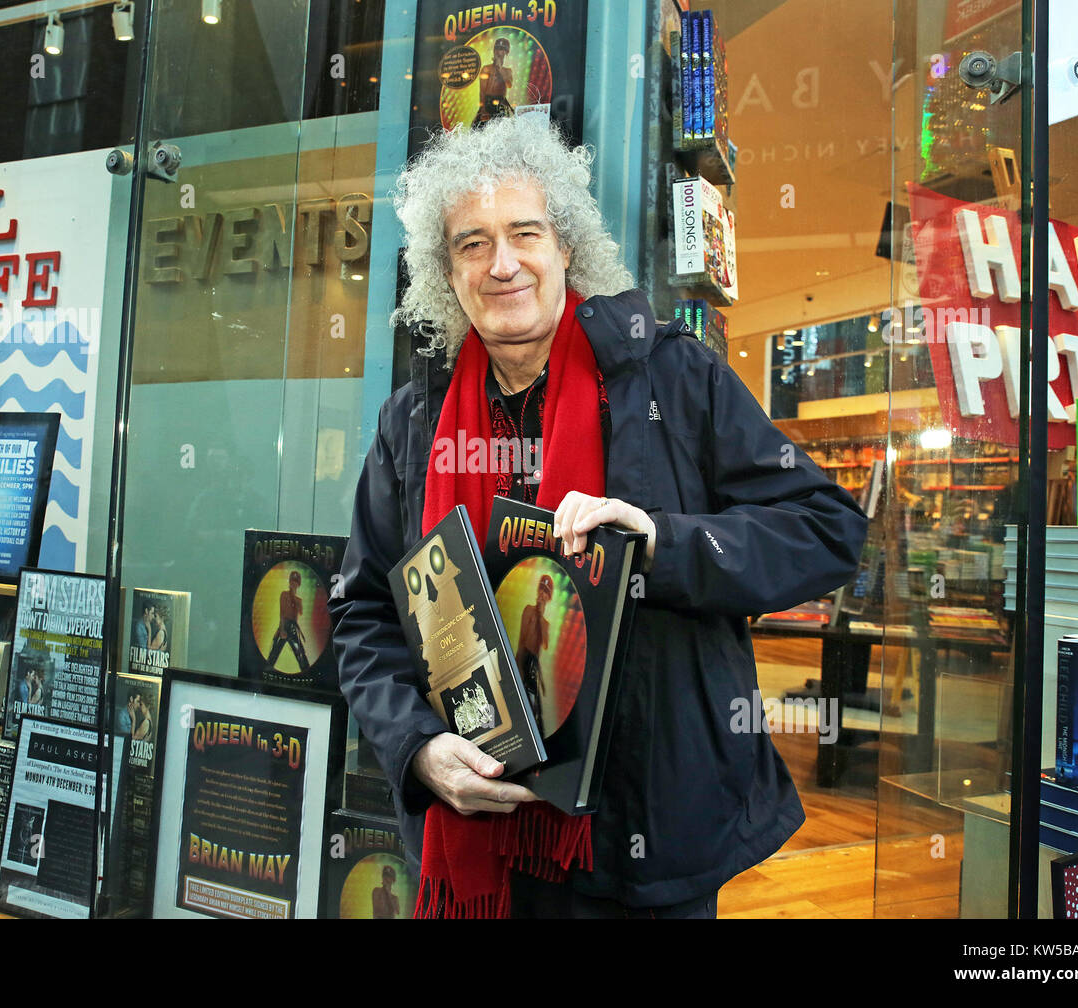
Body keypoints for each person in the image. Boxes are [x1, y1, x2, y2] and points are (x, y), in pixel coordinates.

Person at [329, 116, 867, 918]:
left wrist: (666, 543)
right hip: (483, 839)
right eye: (472, 244)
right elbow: (363, 609)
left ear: (567, 247)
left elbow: (828, 529)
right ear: (447, 271)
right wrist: (415, 749)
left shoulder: (674, 380)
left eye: (525, 233)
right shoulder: (414, 422)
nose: (502, 263)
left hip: (645, 843)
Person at [515, 574, 552, 726]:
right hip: (523, 657)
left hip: (533, 666)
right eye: (541, 590)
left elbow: (545, 644)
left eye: (546, 592)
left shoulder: (545, 623)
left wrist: (541, 616)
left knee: (535, 709)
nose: (542, 595)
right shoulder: (528, 610)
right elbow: (522, 638)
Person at [268, 569, 312, 675]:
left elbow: (300, 612)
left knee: (300, 654)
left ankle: (307, 673)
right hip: (284, 624)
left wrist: (294, 598)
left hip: (293, 627)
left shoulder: (298, 600)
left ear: (298, 584)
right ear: (290, 582)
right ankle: (266, 671)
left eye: (296, 582)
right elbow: (282, 613)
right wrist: (282, 629)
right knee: (274, 652)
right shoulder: (284, 595)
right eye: (292, 581)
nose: (294, 584)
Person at [474, 37, 513, 125]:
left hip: (501, 104)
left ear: (506, 52)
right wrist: (483, 109)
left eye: (502, 49)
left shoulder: (508, 71)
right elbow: (482, 91)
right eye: (497, 49)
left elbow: (509, 84)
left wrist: (499, 68)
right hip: (488, 103)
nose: (499, 52)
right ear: (494, 51)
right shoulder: (486, 69)